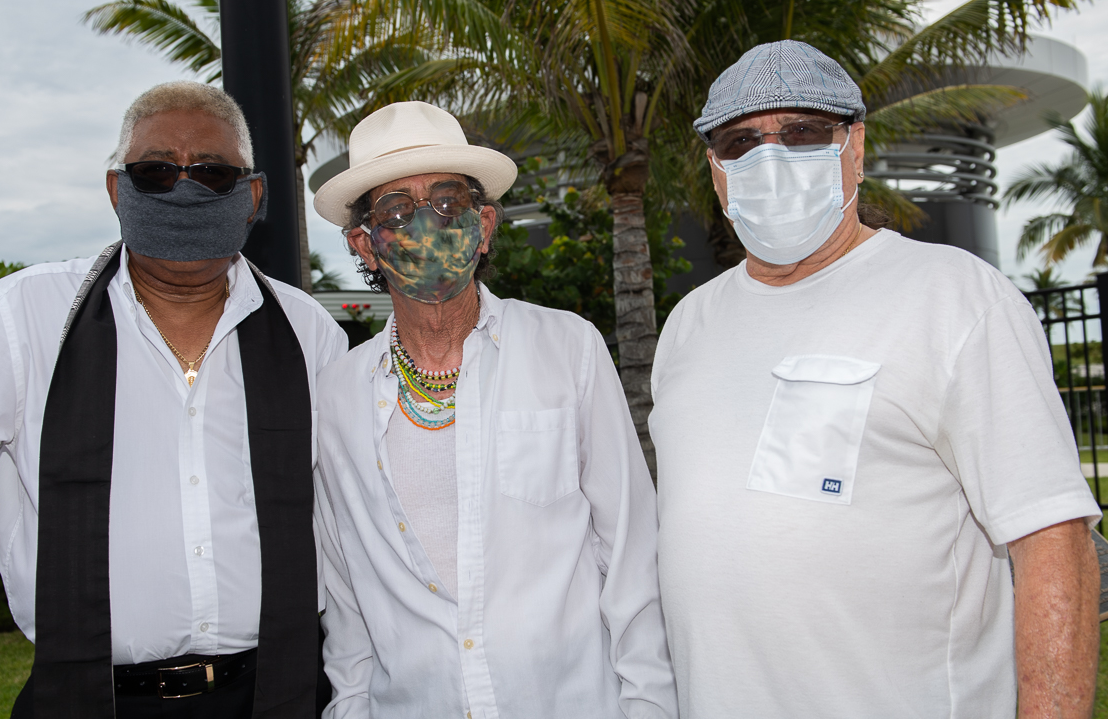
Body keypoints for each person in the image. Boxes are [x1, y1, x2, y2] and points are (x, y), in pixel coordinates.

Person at [650, 40, 1102, 718]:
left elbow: (1053, 544)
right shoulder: (688, 325)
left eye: (802, 133)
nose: (769, 158)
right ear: (714, 169)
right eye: (740, 143)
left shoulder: (955, 297)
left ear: (854, 147)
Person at [0, 81, 346, 718]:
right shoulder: (20, 319)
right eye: (156, 170)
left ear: (253, 195)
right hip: (90, 700)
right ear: (116, 189)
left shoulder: (309, 334)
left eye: (213, 173)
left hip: (277, 694)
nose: (184, 188)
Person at [311, 101, 677, 719]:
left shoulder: (568, 350)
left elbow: (632, 558)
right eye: (397, 210)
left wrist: (650, 707)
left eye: (448, 202)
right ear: (364, 246)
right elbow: (347, 600)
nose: (428, 223)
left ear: (484, 226)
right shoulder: (336, 394)